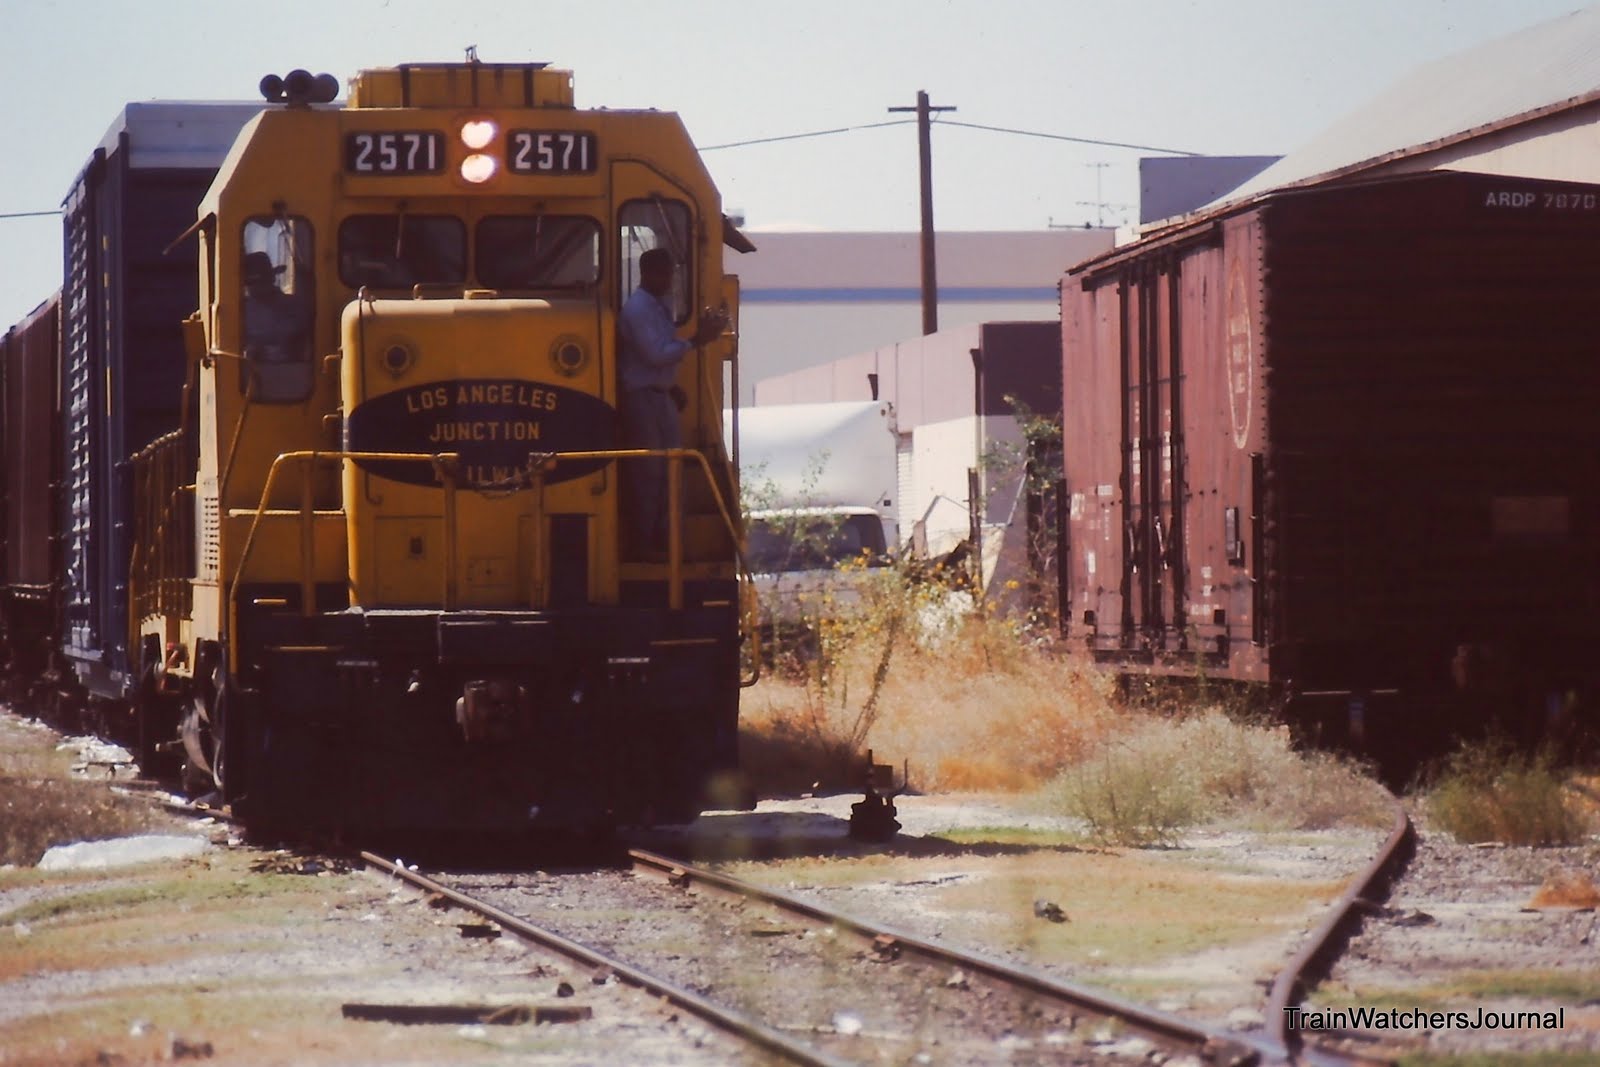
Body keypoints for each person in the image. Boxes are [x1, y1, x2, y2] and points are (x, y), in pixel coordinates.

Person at [617, 247, 725, 556]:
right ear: (648, 273)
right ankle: (644, 545)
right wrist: (695, 340)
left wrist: (670, 386)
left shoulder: (657, 306)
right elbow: (654, 353)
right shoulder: (637, 310)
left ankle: (666, 544)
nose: (670, 279)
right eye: (665, 273)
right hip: (641, 399)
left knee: (670, 471)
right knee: (649, 473)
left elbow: (658, 357)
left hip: (658, 397)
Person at [241, 251, 313, 362]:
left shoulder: (294, 306)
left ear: (271, 279)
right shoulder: (240, 310)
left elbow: (298, 341)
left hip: (290, 373)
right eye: (250, 283)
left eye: (259, 282)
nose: (253, 288)